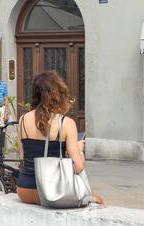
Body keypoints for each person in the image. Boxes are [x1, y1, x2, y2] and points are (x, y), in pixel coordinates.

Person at [15, 70, 98, 206]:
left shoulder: (23, 119)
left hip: (24, 189)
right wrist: (78, 149)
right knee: (97, 200)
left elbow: (23, 156)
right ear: (58, 94)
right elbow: (78, 167)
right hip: (52, 191)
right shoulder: (66, 123)